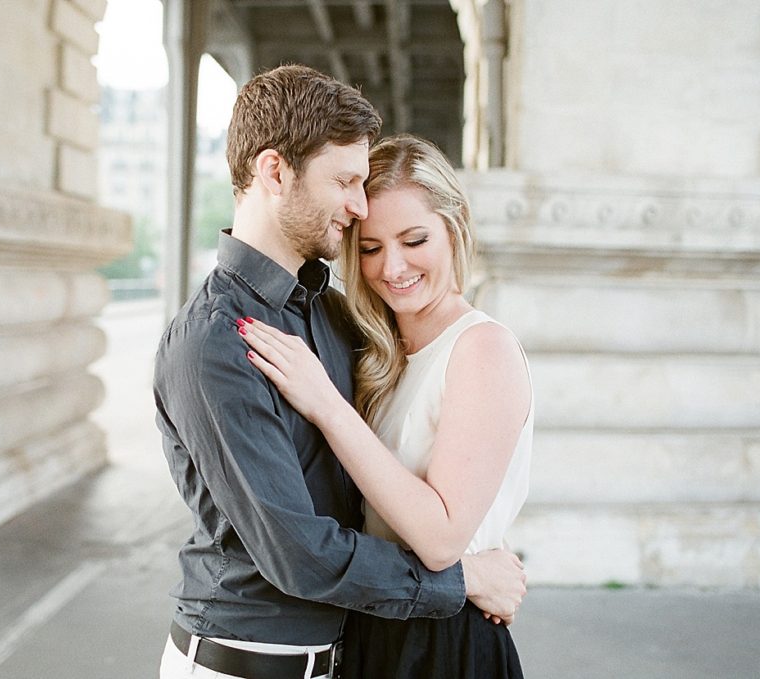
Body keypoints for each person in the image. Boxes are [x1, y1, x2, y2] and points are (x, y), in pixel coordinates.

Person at [154, 65, 526, 679]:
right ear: (275, 171)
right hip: (243, 663)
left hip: (344, 656)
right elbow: (298, 554)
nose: (359, 207)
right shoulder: (216, 342)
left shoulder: (333, 313)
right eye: (345, 181)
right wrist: (458, 581)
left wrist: (476, 531)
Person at [238, 134, 533, 678]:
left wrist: (327, 405)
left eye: (414, 239)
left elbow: (442, 539)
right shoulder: (377, 351)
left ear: (454, 228)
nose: (392, 267)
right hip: (373, 623)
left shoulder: (481, 349)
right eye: (370, 248)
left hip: (442, 639)